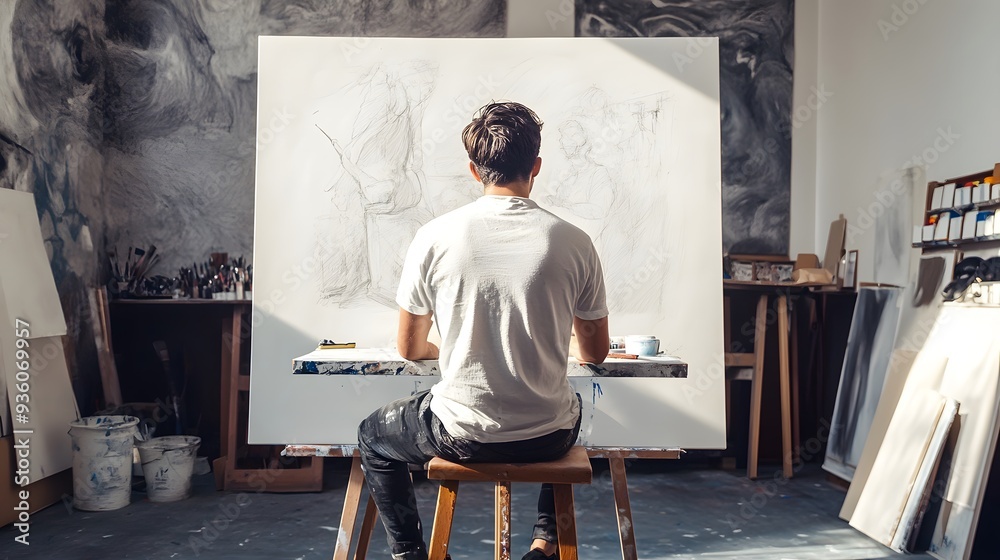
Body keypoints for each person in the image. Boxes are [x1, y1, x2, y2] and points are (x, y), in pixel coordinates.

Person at [358, 101, 610, 560]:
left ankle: (412, 554)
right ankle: (545, 543)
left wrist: (459, 344)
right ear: (535, 166)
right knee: (570, 411)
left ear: (475, 171)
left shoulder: (435, 236)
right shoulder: (575, 241)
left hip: (462, 434)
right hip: (547, 436)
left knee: (373, 435)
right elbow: (595, 354)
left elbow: (409, 346)